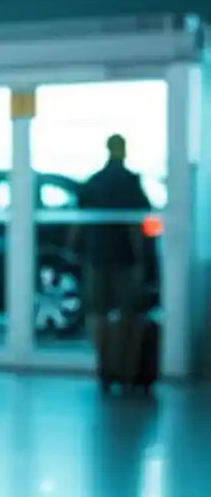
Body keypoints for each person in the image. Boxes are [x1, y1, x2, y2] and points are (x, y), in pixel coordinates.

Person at [72, 133, 152, 380]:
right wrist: (145, 259)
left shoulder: (93, 182)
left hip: (96, 256)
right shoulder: (130, 182)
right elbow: (140, 222)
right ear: (122, 150)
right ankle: (122, 364)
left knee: (97, 310)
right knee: (125, 311)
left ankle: (103, 364)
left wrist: (75, 251)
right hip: (124, 257)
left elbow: (79, 224)